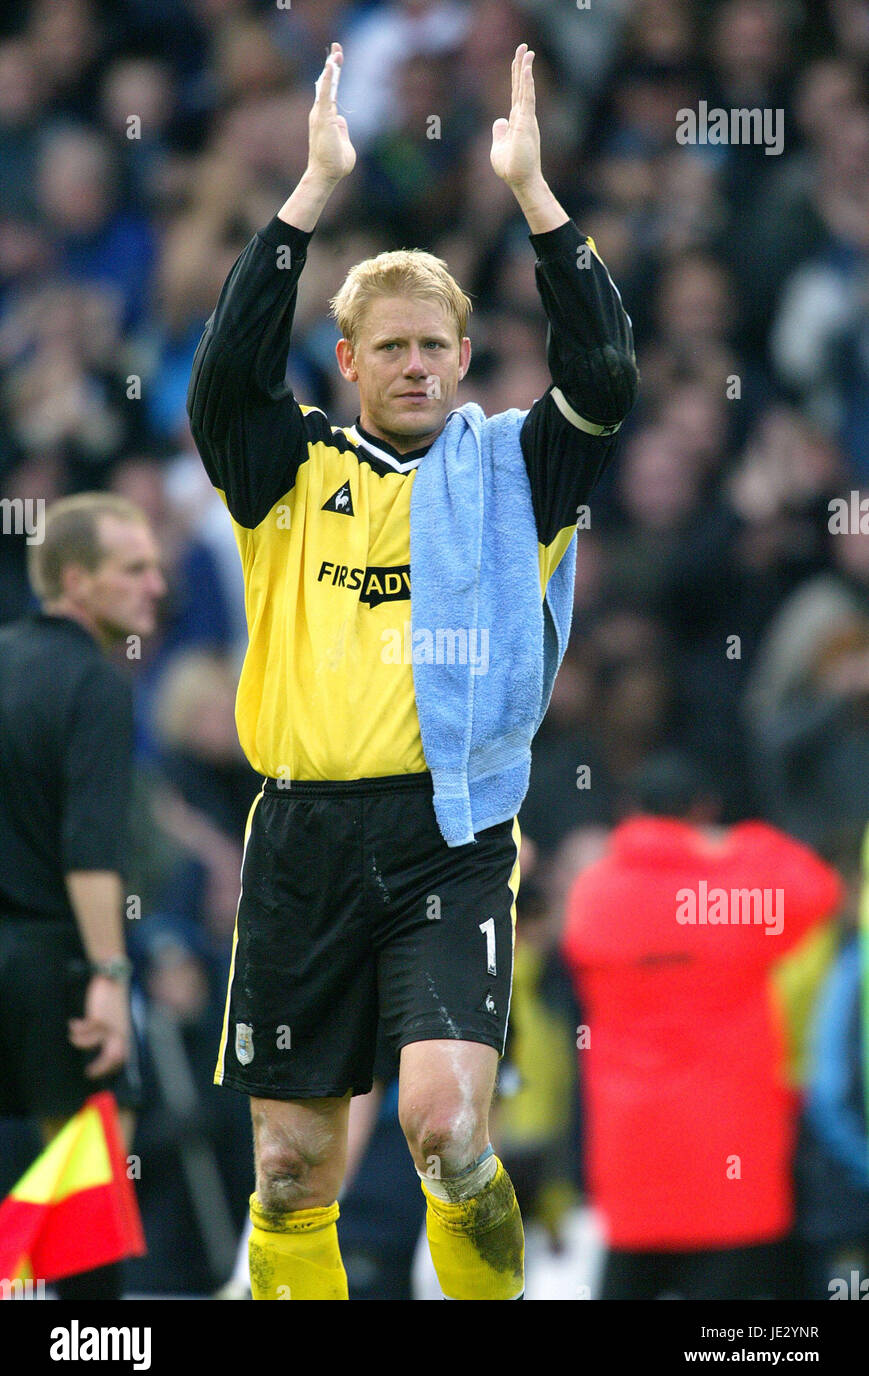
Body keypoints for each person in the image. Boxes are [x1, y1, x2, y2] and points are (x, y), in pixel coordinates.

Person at [187, 41, 637, 1301]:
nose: (418, 366)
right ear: (348, 360)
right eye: (390, 347)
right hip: (299, 837)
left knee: (443, 1128)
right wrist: (309, 192)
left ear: (462, 351)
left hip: (446, 835)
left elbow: (603, 378)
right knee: (287, 1170)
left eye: (436, 345)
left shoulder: (510, 472)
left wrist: (537, 200)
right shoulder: (287, 470)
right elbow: (221, 379)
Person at [561, 751, 844, 1300]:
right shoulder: (729, 897)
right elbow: (816, 887)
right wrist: (745, 838)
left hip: (630, 1157)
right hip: (733, 1163)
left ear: (627, 810)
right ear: (704, 811)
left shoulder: (595, 893)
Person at [0, 491, 166, 1298]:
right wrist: (108, 973)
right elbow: (90, 850)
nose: (155, 586)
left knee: (38, 1190)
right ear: (75, 580)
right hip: (56, 965)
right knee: (88, 1211)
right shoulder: (95, 686)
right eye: (132, 569)